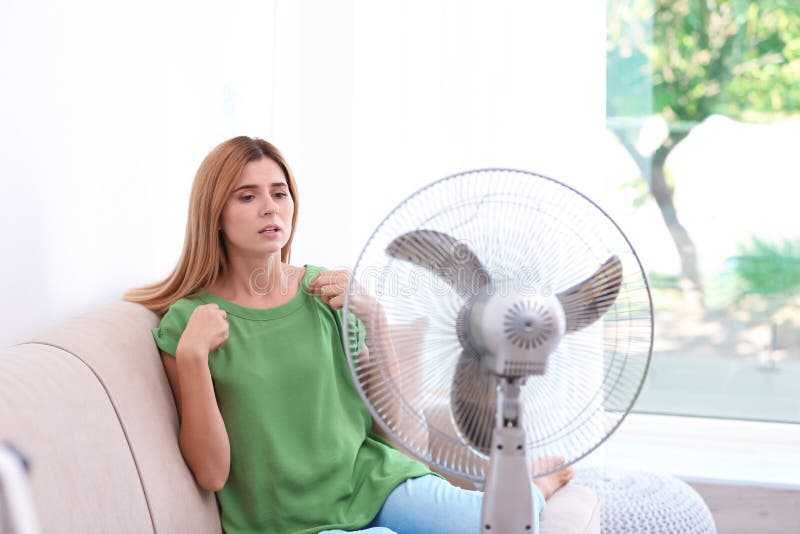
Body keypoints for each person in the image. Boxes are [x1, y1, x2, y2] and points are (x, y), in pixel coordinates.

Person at [125, 136, 573, 534]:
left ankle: (538, 484)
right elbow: (211, 474)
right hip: (289, 524)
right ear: (215, 215)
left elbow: (405, 440)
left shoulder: (328, 292)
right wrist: (192, 357)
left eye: (280, 193)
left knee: (504, 522)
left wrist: (374, 321)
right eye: (247, 196)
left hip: (375, 483)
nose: (270, 207)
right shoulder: (190, 323)